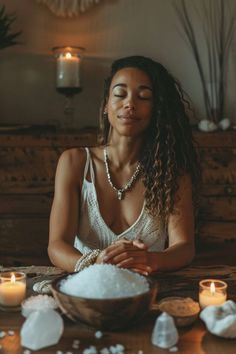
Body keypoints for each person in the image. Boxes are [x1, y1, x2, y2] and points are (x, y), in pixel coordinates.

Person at [48, 55, 200, 275]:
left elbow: (184, 247)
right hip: (86, 289)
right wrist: (95, 262)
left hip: (148, 291)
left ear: (156, 109)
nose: (130, 103)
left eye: (144, 97)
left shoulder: (172, 171)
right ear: (105, 105)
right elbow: (57, 246)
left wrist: (151, 260)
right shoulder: (74, 163)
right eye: (120, 94)